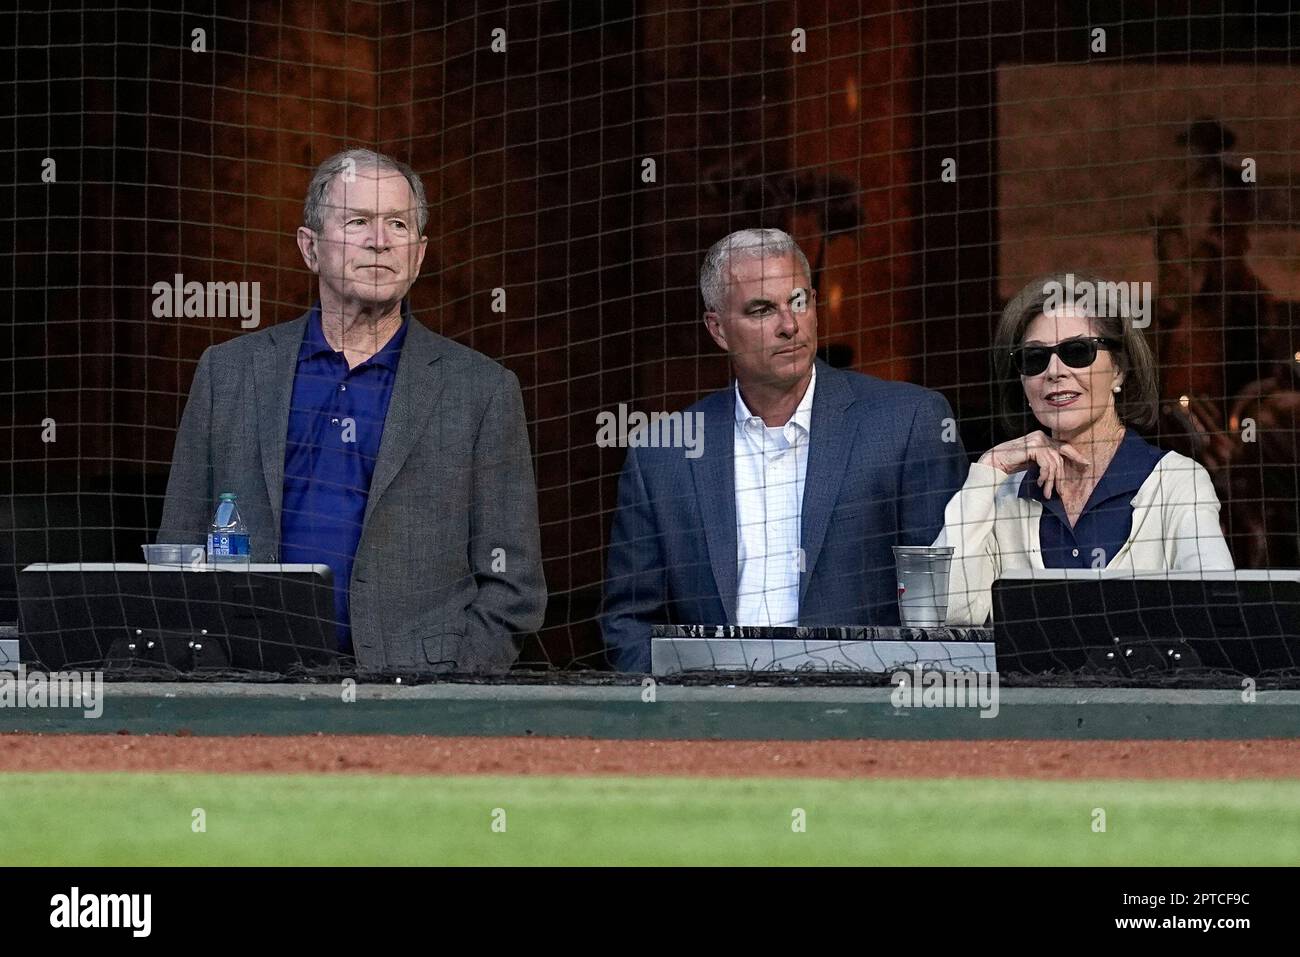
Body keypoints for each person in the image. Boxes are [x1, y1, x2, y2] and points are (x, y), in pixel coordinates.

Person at [158, 148, 546, 673]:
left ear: (420, 252)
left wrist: (454, 676)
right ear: (310, 247)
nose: (380, 240)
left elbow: (513, 583)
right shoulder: (229, 372)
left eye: (397, 224)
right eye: (357, 221)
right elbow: (178, 551)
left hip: (418, 696)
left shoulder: (481, 390)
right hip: (249, 683)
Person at [601, 228, 967, 671]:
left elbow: (943, 609)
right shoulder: (663, 453)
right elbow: (630, 620)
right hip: (715, 718)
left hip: (864, 716)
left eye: (798, 302)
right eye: (761, 310)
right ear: (718, 329)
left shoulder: (906, 422)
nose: (789, 325)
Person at [937, 272, 1234, 626]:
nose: (1054, 371)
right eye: (1035, 358)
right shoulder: (1000, 491)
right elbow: (948, 615)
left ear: (1120, 370)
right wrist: (989, 468)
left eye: (1078, 352)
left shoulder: (1177, 482)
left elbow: (1218, 617)